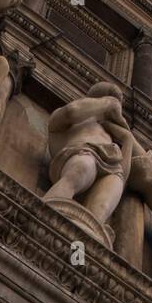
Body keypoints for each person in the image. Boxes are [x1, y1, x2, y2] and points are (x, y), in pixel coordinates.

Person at [43, 82, 137, 224]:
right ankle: (45, 214)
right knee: (82, 170)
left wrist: (127, 140)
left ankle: (86, 235)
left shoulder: (108, 133)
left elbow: (122, 175)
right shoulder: (76, 118)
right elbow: (71, 111)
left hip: (111, 168)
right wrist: (109, 102)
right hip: (84, 154)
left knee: (104, 203)